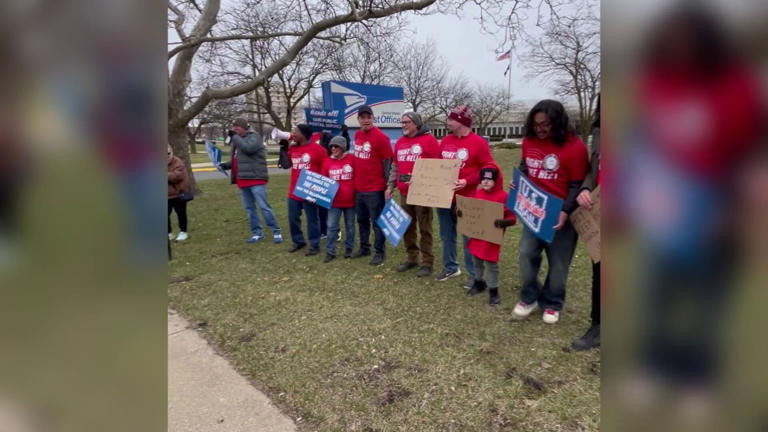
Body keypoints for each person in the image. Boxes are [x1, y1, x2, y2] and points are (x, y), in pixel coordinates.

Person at [511, 100, 589, 324]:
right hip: (534, 211)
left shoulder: (575, 147)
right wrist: (520, 180)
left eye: (545, 124)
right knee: (526, 255)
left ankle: (553, 302)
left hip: (561, 214)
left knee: (559, 263)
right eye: (536, 125)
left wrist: (565, 211)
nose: (540, 129)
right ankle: (529, 296)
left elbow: (576, 183)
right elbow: (526, 165)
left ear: (557, 122)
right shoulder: (529, 141)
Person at [436, 105, 494, 288]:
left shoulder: (478, 143)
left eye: (451, 119)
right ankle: (451, 267)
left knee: (469, 237)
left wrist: (467, 181)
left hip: (468, 198)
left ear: (461, 122)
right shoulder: (445, 141)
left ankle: (475, 274)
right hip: (444, 197)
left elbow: (488, 169)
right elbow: (436, 166)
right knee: (447, 235)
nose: (448, 122)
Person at [386, 111, 440, 277]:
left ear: (416, 123)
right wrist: (390, 186)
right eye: (401, 122)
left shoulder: (429, 141)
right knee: (407, 227)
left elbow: (438, 165)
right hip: (404, 193)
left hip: (422, 193)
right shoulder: (401, 142)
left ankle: (427, 262)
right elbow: (395, 165)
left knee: (425, 228)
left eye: (406, 122)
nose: (403, 125)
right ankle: (412, 258)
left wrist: (425, 181)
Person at [459, 163, 516, 305]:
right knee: (476, 260)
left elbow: (512, 218)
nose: (485, 182)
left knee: (491, 264)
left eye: (489, 179)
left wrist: (504, 222)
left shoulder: (503, 197)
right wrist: (461, 213)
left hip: (491, 238)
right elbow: (470, 211)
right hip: (477, 235)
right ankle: (479, 282)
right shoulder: (478, 193)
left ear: (496, 181)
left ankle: (493, 291)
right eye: (483, 179)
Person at [219, 118, 283, 243]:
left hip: (256, 179)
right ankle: (257, 233)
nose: (234, 131)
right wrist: (226, 165)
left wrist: (235, 138)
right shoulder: (236, 142)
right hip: (242, 180)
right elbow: (239, 159)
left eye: (237, 128)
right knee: (249, 209)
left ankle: (276, 231)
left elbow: (248, 149)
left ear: (244, 128)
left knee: (264, 207)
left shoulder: (254, 137)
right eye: (233, 128)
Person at [572, 95, 601, 350]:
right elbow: (594, 167)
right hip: (602, 208)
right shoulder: (599, 132)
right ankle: (599, 325)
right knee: (601, 268)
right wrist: (585, 187)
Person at [351, 105, 393, 266]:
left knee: (377, 222)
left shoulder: (381, 137)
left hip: (375, 188)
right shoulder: (357, 135)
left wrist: (388, 187)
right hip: (359, 188)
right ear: (358, 120)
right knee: (361, 220)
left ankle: (380, 252)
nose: (366, 120)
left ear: (373, 118)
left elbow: (388, 163)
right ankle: (364, 247)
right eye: (363, 117)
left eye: (369, 117)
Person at [287, 124, 328, 255]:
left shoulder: (319, 150)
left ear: (303, 134)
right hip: (294, 190)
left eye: (296, 132)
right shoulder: (292, 148)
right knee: (293, 218)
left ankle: (314, 244)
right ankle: (298, 241)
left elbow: (325, 170)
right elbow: (287, 164)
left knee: (312, 219)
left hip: (310, 190)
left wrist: (317, 190)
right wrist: (284, 149)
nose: (293, 134)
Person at [321, 136, 356, 262]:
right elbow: (323, 181)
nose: (333, 148)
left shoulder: (352, 159)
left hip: (350, 200)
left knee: (350, 225)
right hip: (334, 202)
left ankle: (349, 248)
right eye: (331, 146)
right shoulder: (327, 162)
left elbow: (358, 176)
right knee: (331, 226)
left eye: (336, 146)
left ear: (343, 147)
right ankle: (330, 251)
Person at [167, 145, 191, 241]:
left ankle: (183, 232)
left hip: (178, 194)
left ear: (171, 152)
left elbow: (176, 177)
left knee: (181, 213)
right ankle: (169, 233)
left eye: (168, 153)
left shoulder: (178, 162)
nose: (166, 155)